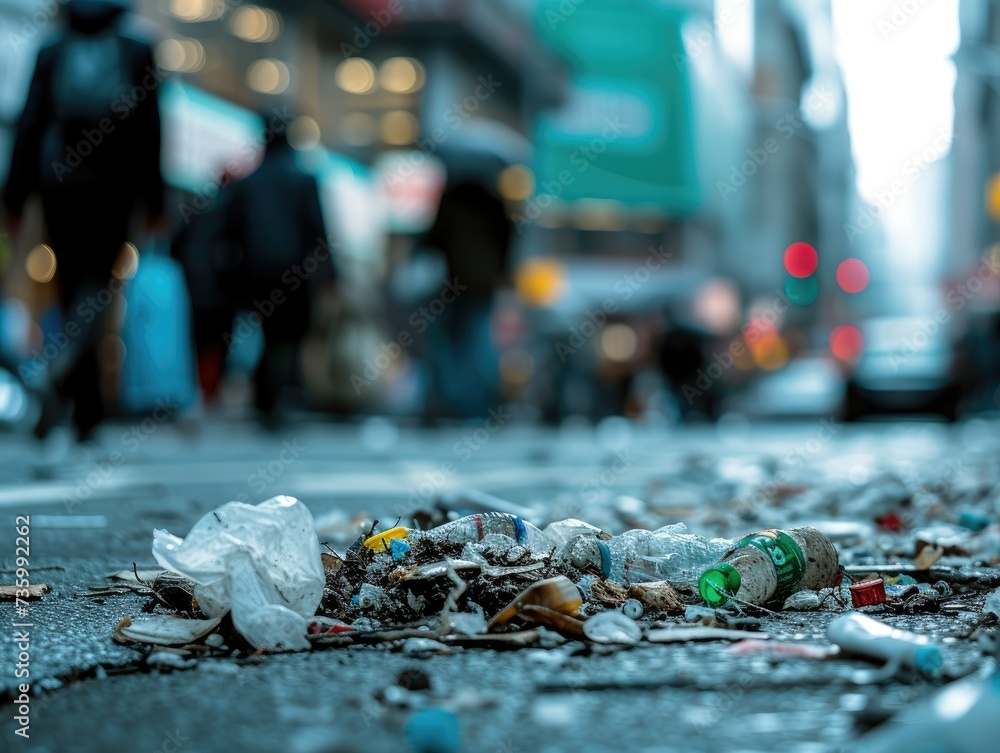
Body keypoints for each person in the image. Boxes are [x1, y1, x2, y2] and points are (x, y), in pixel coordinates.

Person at [2, 0, 163, 440]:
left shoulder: (53, 48)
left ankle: (81, 406)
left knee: (72, 287)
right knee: (98, 289)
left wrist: (15, 197)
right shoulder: (135, 49)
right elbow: (151, 128)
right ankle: (65, 379)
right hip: (114, 187)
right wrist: (155, 201)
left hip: (60, 184)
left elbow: (30, 122)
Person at [216, 125, 333, 425]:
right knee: (289, 337)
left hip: (255, 277)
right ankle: (284, 395)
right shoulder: (304, 180)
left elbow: (229, 236)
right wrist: (329, 276)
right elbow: (318, 233)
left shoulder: (247, 184)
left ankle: (266, 400)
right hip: (295, 276)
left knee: (264, 336)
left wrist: (230, 278)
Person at [422, 178, 512, 419]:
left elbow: (434, 239)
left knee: (452, 345)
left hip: (454, 284)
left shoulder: (452, 200)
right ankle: (475, 403)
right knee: (478, 343)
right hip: (482, 284)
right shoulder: (494, 203)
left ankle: (452, 401)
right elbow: (507, 240)